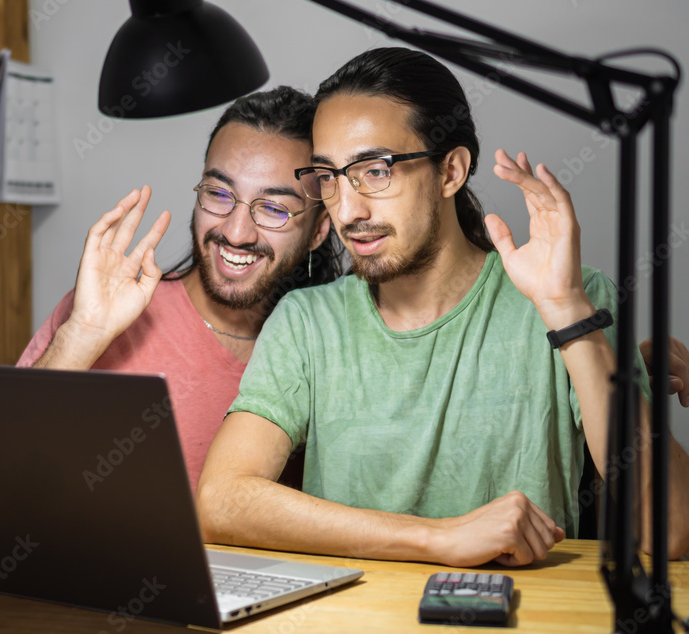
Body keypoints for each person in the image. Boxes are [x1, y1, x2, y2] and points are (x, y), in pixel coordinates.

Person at [196, 47, 689, 566]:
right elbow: (221, 500)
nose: (348, 208)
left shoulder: (574, 300)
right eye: (329, 177)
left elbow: (671, 530)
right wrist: (438, 538)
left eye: (376, 171)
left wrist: (566, 308)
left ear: (450, 171)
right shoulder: (307, 323)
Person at [17, 87, 341, 491]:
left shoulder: (325, 347)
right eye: (219, 195)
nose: (236, 233)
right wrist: (82, 334)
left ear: (319, 230)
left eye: (274, 208)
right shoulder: (105, 311)